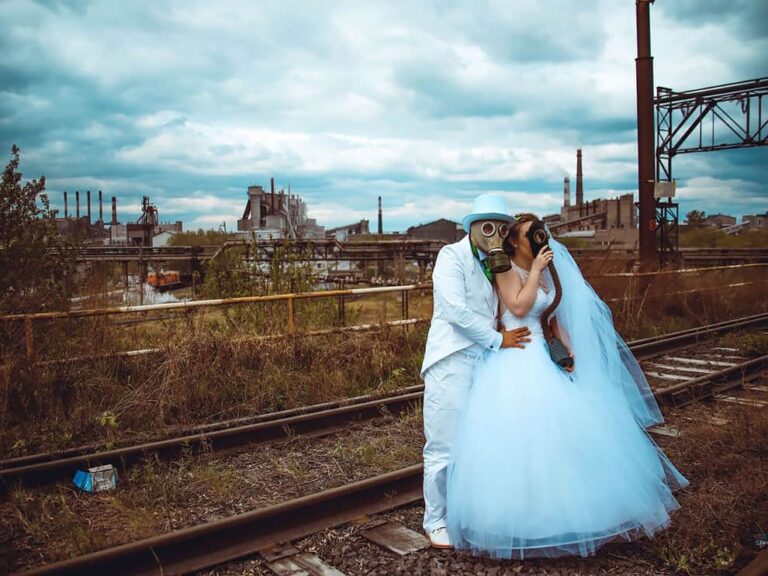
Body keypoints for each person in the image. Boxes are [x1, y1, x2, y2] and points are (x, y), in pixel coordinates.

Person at [445, 213, 689, 559]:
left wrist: (568, 349)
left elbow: (551, 314)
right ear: (515, 240)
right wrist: (536, 271)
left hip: (543, 356)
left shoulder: (543, 273)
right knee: (522, 437)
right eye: (533, 235)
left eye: (541, 233)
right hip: (514, 359)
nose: (540, 240)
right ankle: (518, 521)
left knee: (565, 434)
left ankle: (576, 512)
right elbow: (518, 305)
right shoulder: (504, 268)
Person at [421, 194, 532, 549]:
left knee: (478, 443)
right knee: (443, 444)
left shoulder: (499, 263)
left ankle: (467, 512)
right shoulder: (450, 256)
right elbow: (455, 310)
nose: (494, 233)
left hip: (485, 363)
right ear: (471, 226)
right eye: (487, 225)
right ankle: (435, 519)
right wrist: (499, 339)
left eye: (502, 227)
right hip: (452, 360)